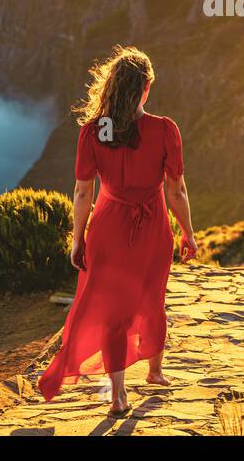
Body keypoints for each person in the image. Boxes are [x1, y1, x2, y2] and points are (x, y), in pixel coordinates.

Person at [37, 45, 197, 416]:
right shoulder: (164, 130)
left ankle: (118, 395)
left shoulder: (93, 132)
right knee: (151, 295)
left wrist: (77, 238)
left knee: (113, 310)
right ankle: (155, 371)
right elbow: (176, 190)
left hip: (107, 227)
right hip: (153, 227)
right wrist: (188, 232)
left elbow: (82, 191)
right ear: (145, 89)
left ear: (110, 88)